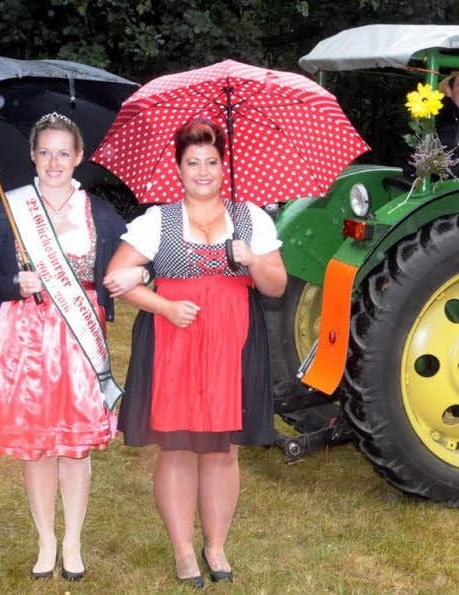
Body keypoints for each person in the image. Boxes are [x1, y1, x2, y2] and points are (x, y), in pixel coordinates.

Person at [105, 119, 287, 587]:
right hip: (176, 341)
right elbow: (116, 279)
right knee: (178, 448)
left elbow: (277, 286)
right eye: (193, 163)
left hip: (234, 343)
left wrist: (254, 260)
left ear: (224, 166)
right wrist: (163, 304)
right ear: (178, 167)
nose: (203, 171)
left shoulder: (253, 219)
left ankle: (216, 546)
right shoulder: (156, 221)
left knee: (224, 451)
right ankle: (184, 551)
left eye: (211, 161)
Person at [0, 112, 146, 582]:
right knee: (37, 447)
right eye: (44, 151)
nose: (53, 162)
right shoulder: (8, 208)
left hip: (79, 338)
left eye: (63, 153)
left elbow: (135, 258)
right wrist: (13, 281)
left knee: (75, 447)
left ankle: (73, 542)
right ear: (32, 155)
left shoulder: (100, 213)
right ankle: (46, 541)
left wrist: (139, 274)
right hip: (25, 341)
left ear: (79, 157)